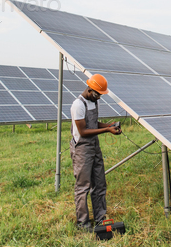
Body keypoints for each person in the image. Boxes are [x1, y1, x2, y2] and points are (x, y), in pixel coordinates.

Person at [70, 73, 121, 230]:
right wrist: (107, 130)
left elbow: (93, 123)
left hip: (94, 146)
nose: (99, 97)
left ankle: (100, 218)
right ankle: (83, 224)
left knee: (99, 183)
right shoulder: (78, 105)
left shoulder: (93, 101)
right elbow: (84, 131)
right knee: (83, 186)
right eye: (98, 94)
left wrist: (108, 124)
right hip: (82, 149)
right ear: (90, 90)